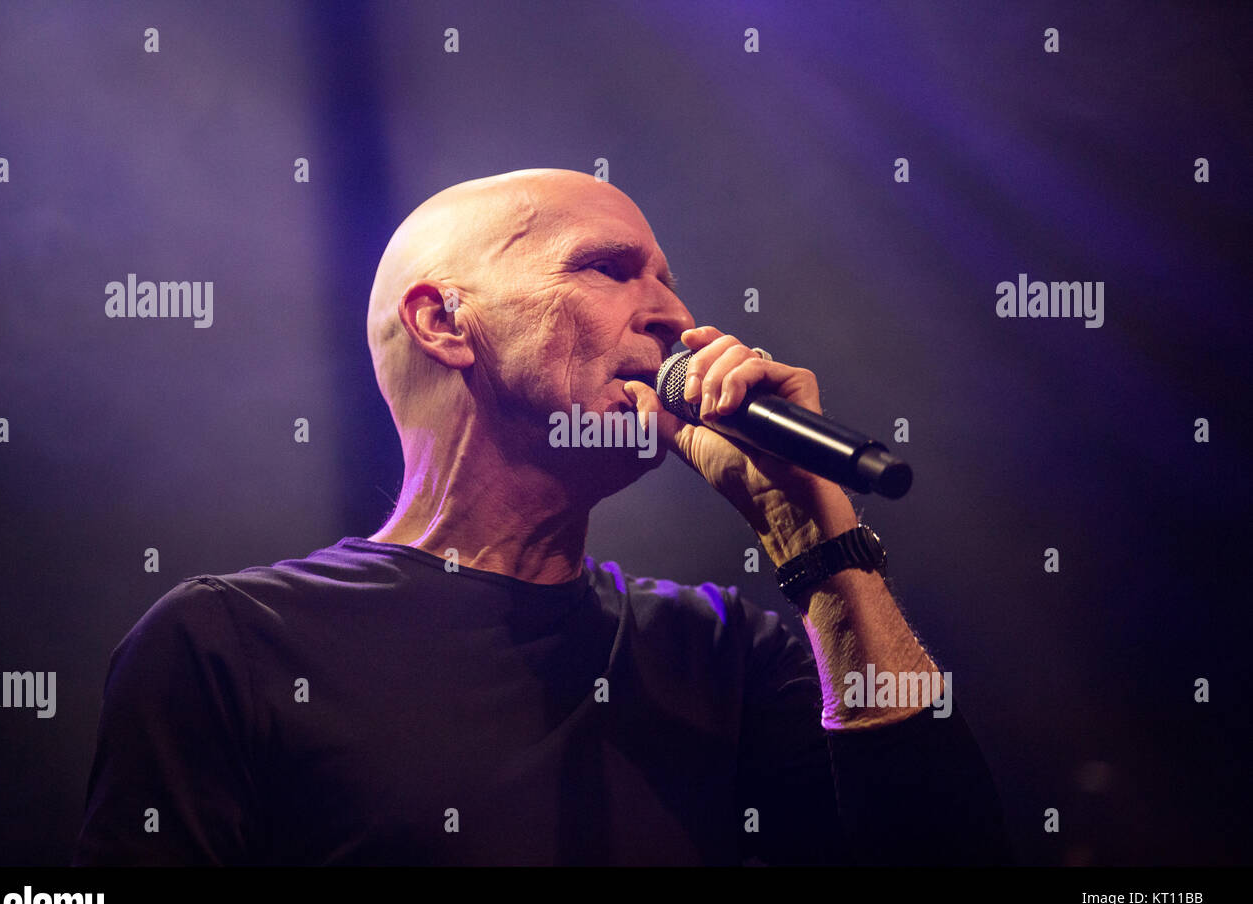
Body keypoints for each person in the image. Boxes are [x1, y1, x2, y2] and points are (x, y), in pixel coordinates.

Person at [74, 168, 1009, 865]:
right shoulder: (231, 645)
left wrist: (814, 539)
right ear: (444, 322)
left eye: (668, 279)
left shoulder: (720, 652)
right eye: (609, 270)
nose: (677, 317)